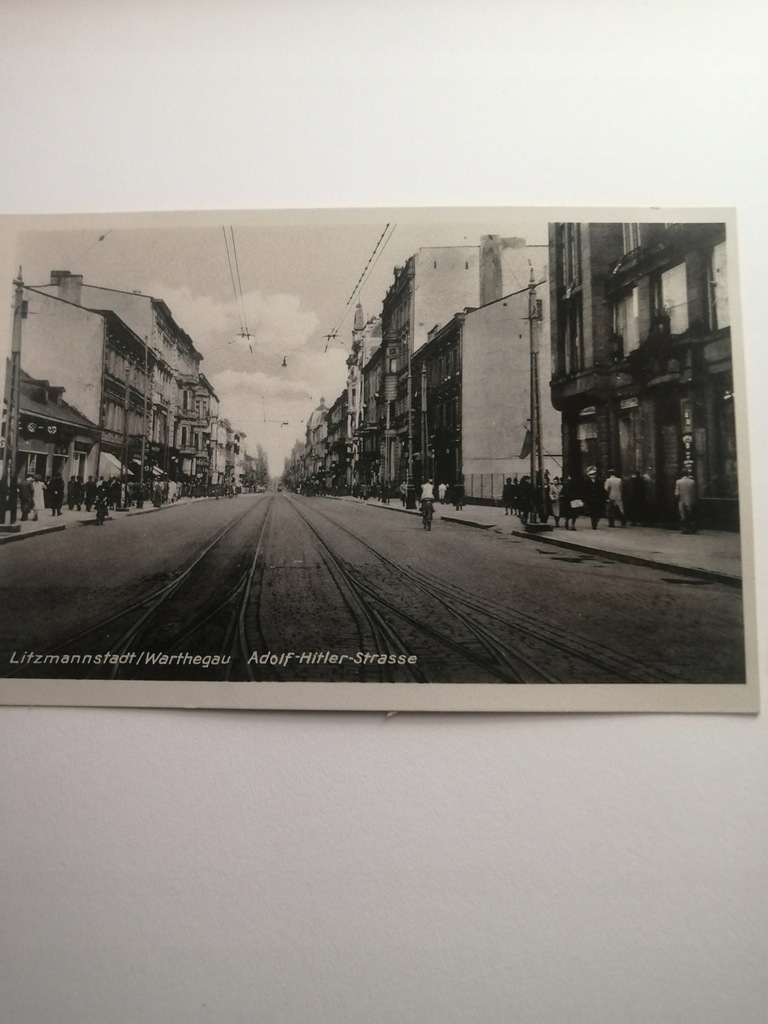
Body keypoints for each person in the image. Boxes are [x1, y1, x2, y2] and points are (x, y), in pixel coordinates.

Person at [675, 465, 698, 534]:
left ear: (681, 474)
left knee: (683, 515)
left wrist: (676, 499)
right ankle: (692, 529)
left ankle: (685, 529)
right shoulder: (692, 482)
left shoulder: (678, 482)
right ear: (688, 474)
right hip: (690, 500)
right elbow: (694, 493)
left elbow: (676, 493)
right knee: (691, 514)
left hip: (681, 500)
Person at [583, 465, 604, 530]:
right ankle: (594, 524)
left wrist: (604, 497)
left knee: (598, 512)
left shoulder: (598, 481)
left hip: (598, 499)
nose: (593, 476)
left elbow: (602, 490)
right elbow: (585, 491)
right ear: (589, 475)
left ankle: (596, 521)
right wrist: (585, 499)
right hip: (591, 500)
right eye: (591, 474)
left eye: (594, 474)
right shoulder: (587, 482)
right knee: (593, 512)